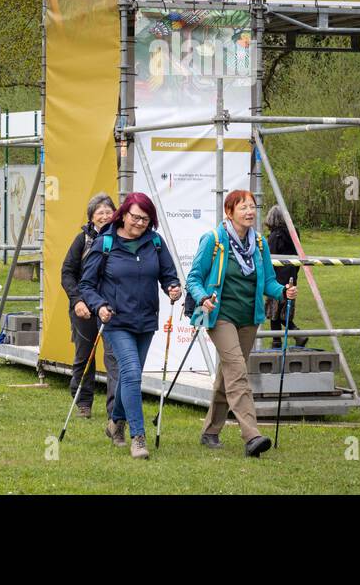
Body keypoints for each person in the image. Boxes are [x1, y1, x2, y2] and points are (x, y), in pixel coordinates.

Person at [186, 189, 297, 458]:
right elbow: (193, 278)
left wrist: (283, 291)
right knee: (238, 372)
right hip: (220, 316)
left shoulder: (259, 243)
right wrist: (203, 298)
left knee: (228, 375)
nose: (249, 211)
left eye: (252, 207)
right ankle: (252, 435)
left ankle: (210, 431)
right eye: (243, 207)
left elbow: (269, 281)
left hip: (249, 319)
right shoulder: (214, 239)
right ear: (229, 212)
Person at [78, 193, 182, 460]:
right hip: (116, 320)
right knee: (133, 373)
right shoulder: (105, 243)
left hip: (146, 321)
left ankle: (116, 422)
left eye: (145, 219)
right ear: (123, 214)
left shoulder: (155, 243)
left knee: (127, 377)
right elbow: (86, 285)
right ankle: (138, 436)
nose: (139, 223)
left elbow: (168, 274)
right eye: (135, 217)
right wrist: (99, 305)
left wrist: (172, 288)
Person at [61, 193, 120, 419]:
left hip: (112, 306)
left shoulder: (121, 238)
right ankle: (83, 401)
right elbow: (67, 273)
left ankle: (115, 409)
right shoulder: (82, 240)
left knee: (114, 356)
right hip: (84, 306)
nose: (105, 216)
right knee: (85, 354)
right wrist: (76, 300)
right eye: (100, 213)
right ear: (91, 217)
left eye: (109, 212)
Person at [265, 205, 307, 349]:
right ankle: (283, 339)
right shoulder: (294, 234)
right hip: (291, 276)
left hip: (276, 278)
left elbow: (269, 259)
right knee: (283, 310)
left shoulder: (274, 236)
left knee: (274, 311)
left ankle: (285, 338)